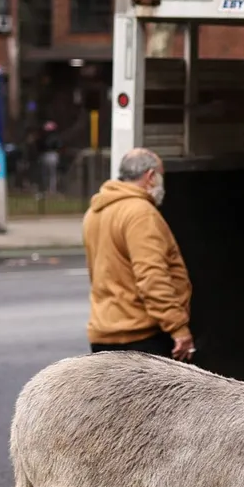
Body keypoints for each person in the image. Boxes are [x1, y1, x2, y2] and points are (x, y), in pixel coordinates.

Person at [82, 147, 194, 360]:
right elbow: (152, 277)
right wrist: (178, 327)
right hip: (140, 337)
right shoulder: (141, 213)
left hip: (103, 333)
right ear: (151, 177)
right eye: (161, 176)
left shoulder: (95, 212)